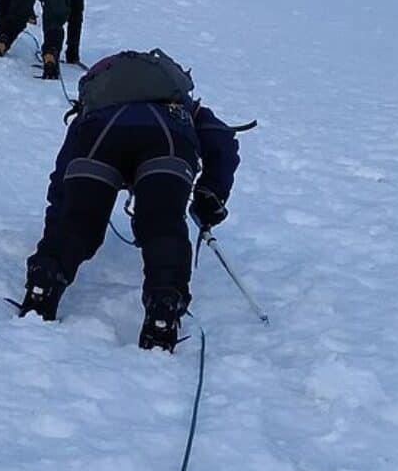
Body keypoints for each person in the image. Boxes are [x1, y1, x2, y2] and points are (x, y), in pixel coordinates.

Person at [15, 49, 241, 352]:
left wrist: (57, 227)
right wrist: (210, 194)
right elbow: (222, 140)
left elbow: (63, 178)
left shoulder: (93, 108)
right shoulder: (183, 105)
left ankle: (45, 279)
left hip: (100, 133)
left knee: (80, 221)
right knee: (162, 224)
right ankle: (163, 306)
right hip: (168, 136)